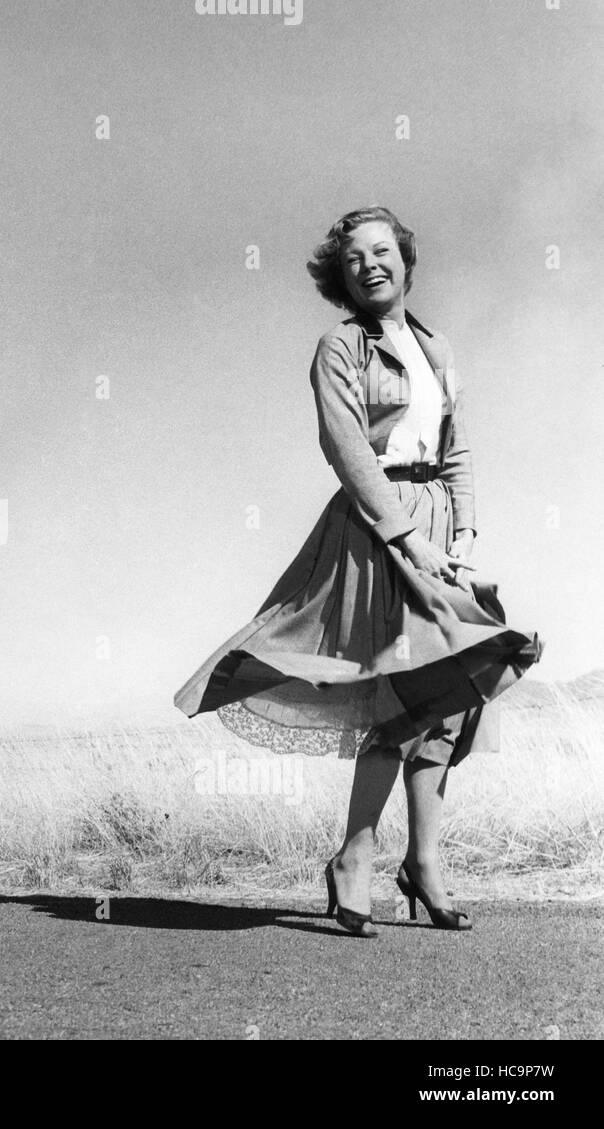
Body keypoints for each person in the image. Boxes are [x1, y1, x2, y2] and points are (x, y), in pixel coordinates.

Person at [174, 206, 541, 937]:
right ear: (339, 278)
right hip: (378, 528)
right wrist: (409, 538)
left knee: (450, 695)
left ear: (406, 259)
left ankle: (425, 862)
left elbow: (459, 446)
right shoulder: (339, 346)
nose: (371, 265)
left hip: (439, 524)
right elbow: (345, 447)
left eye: (382, 251)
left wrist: (462, 533)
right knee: (398, 693)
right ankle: (357, 854)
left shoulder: (436, 345)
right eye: (354, 260)